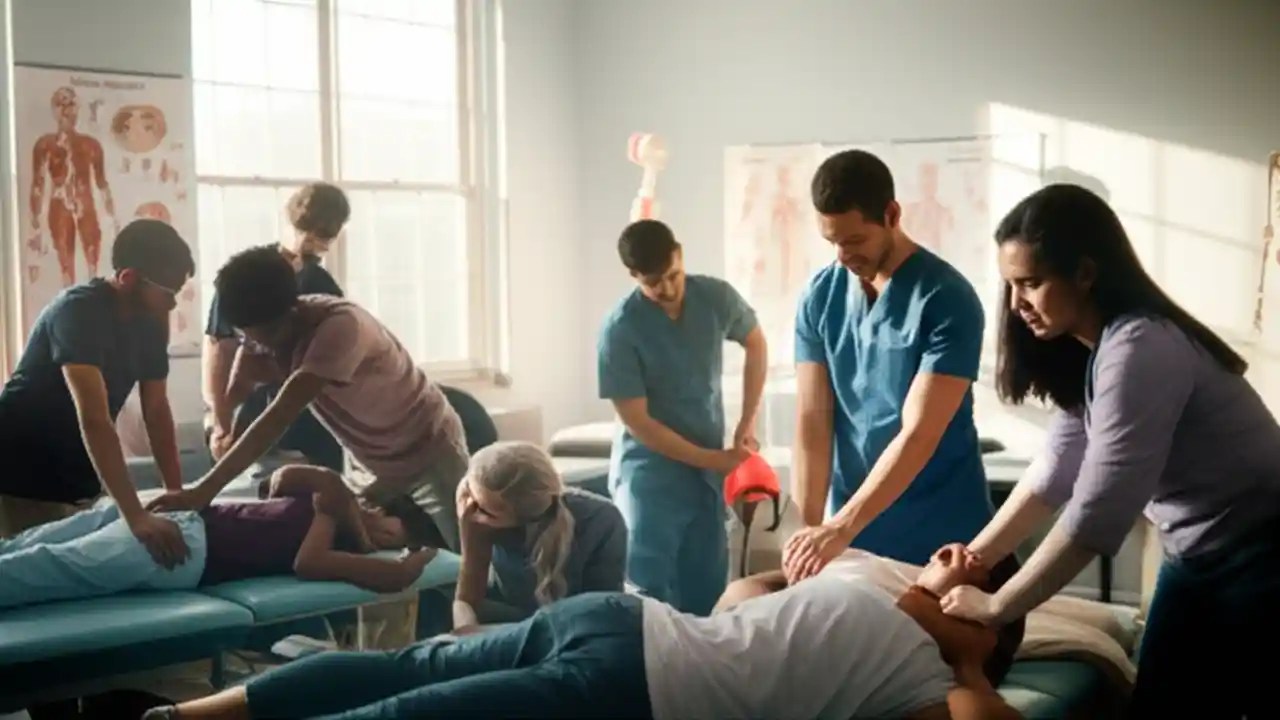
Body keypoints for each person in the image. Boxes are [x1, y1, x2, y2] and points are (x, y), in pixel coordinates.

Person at [938, 184, 1280, 718]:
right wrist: (973, 560)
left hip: (1262, 551)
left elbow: (1100, 510)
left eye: (1030, 283)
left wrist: (998, 608)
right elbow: (1055, 472)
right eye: (1010, 286)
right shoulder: (1093, 350)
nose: (1016, 304)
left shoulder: (1140, 347)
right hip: (1194, 553)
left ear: (1085, 274)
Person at [142, 542, 1025, 720]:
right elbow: (748, 589)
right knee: (407, 701)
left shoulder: (914, 651)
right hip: (632, 674)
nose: (951, 569)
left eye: (970, 579)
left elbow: (738, 598)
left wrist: (964, 647)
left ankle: (182, 718)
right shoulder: (894, 609)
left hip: (623, 630)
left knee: (400, 674)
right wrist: (958, 643)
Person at [149, 246, 469, 551]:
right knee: (360, 544)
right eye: (249, 336)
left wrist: (202, 491)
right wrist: (221, 426)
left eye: (267, 336)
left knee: (469, 555)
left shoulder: (340, 328)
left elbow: (280, 414)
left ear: (292, 310)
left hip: (428, 447)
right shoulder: (262, 331)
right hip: (368, 460)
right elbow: (241, 381)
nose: (262, 345)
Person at [784, 149, 994, 582]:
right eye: (833, 242)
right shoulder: (820, 297)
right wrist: (808, 531)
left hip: (941, 540)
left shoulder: (946, 299)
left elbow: (919, 433)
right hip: (854, 540)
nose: (843, 255)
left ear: (892, 214)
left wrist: (840, 526)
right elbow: (812, 421)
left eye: (855, 241)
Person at [0, 220, 194, 571]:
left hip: (78, 474)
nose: (172, 304)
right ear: (129, 278)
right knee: (29, 583)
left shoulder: (151, 321)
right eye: (167, 292)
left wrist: (176, 492)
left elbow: (157, 410)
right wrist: (134, 515)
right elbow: (94, 416)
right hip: (17, 471)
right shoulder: (78, 311)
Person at [597, 219, 768, 615]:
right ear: (634, 276)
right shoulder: (621, 329)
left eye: (674, 275)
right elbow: (638, 422)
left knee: (707, 589)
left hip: (705, 477)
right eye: (655, 283)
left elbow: (756, 343)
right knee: (647, 592)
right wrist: (713, 460)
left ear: (681, 254)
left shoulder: (714, 297)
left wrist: (747, 422)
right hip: (649, 472)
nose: (669, 289)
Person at [0, 465, 437, 610]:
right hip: (182, 516)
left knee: (53, 565)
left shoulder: (332, 536)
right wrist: (339, 503)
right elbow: (280, 480)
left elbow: (312, 565)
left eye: (386, 537)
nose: (378, 531)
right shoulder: (332, 497)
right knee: (34, 541)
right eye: (381, 523)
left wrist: (415, 557)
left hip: (181, 552)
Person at [203, 182, 349, 473]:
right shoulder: (247, 275)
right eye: (311, 233)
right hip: (255, 404)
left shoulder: (320, 287)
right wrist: (221, 423)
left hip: (305, 410)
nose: (314, 244)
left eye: (323, 237)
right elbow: (221, 349)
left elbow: (321, 371)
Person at [452, 441, 626, 630]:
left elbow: (601, 615)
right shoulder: (481, 517)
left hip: (577, 627)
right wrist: (470, 537)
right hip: (520, 618)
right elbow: (467, 599)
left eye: (480, 508)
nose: (467, 503)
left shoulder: (602, 521)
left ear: (520, 520)